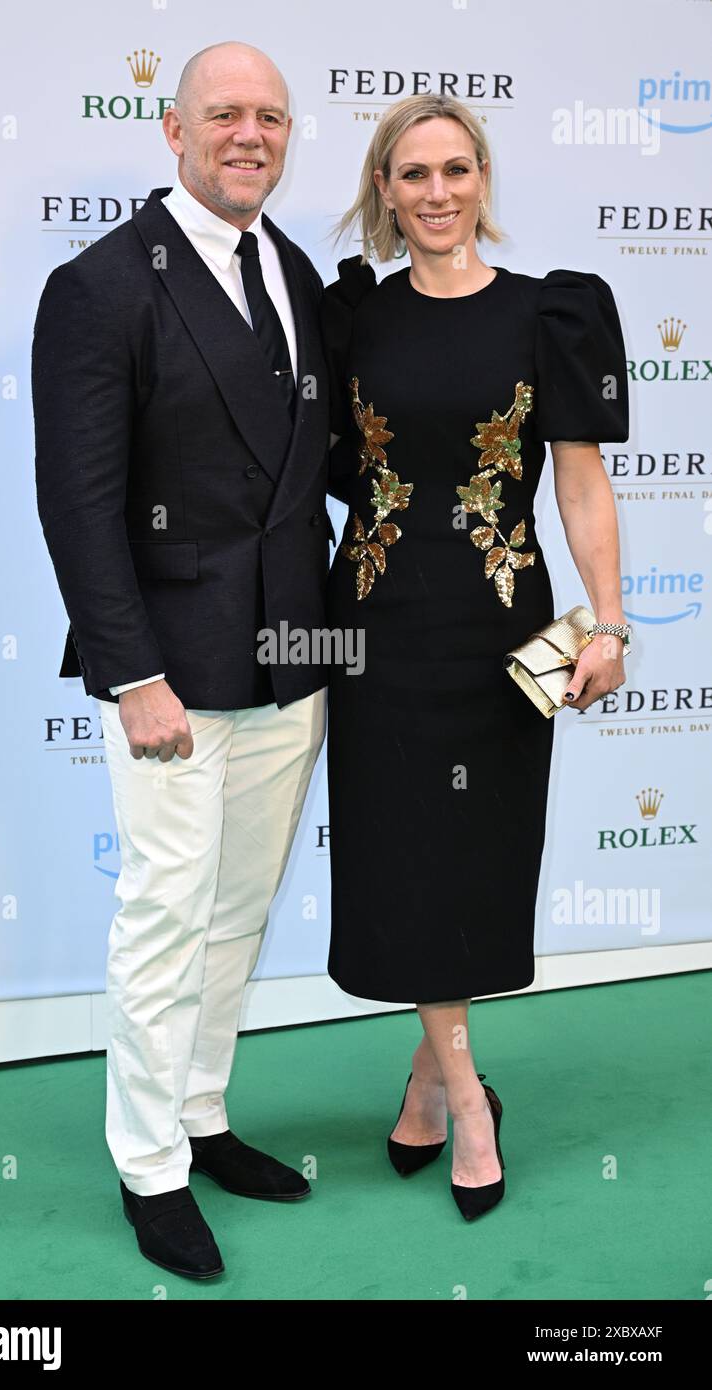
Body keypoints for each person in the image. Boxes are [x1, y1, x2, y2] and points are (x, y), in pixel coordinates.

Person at [32, 41, 334, 1279]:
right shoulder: (102, 286)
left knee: (235, 914)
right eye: (224, 114)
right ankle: (149, 1168)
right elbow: (78, 503)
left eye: (268, 116)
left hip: (291, 656)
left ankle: (201, 1116)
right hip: (169, 670)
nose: (248, 134)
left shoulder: (298, 269)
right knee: (164, 914)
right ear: (172, 129)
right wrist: (131, 673)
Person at [321, 94, 631, 1221]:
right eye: (413, 175)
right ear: (385, 191)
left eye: (457, 169)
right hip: (372, 625)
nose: (438, 192)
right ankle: (465, 1093)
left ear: (484, 180)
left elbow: (580, 481)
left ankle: (425, 1086)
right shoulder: (350, 317)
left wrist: (608, 619)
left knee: (477, 854)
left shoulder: (552, 315)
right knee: (402, 854)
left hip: (514, 629)